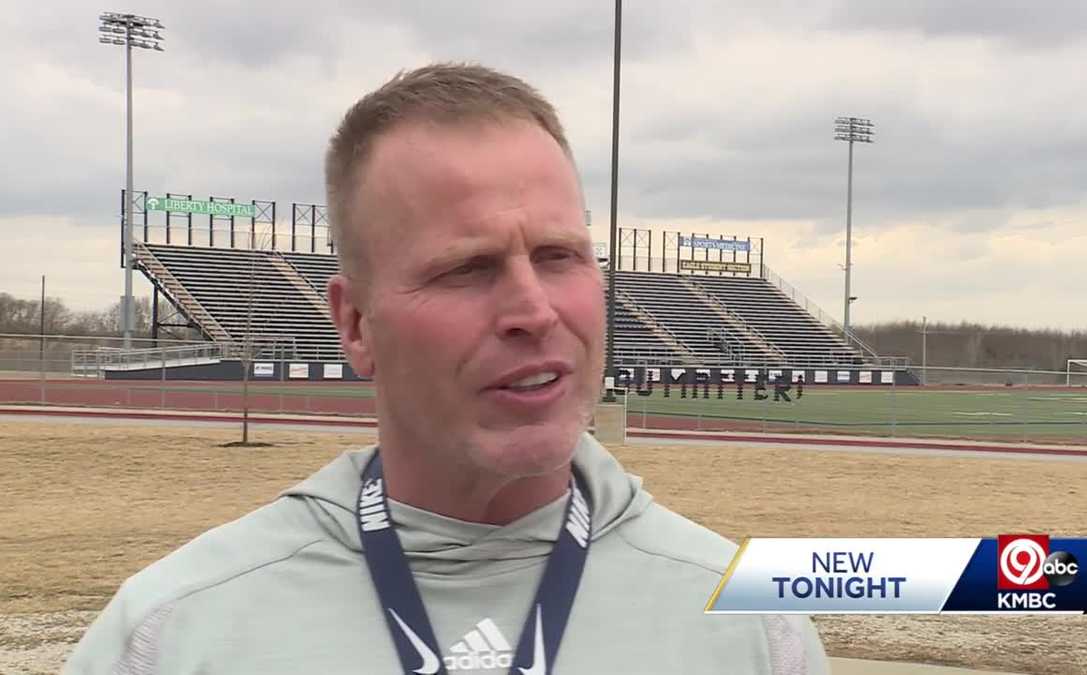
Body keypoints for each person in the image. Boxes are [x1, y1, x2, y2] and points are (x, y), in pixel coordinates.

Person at [65, 63, 829, 674]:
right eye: (466, 268)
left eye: (559, 255)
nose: (534, 309)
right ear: (356, 325)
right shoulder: (172, 633)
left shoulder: (752, 631)